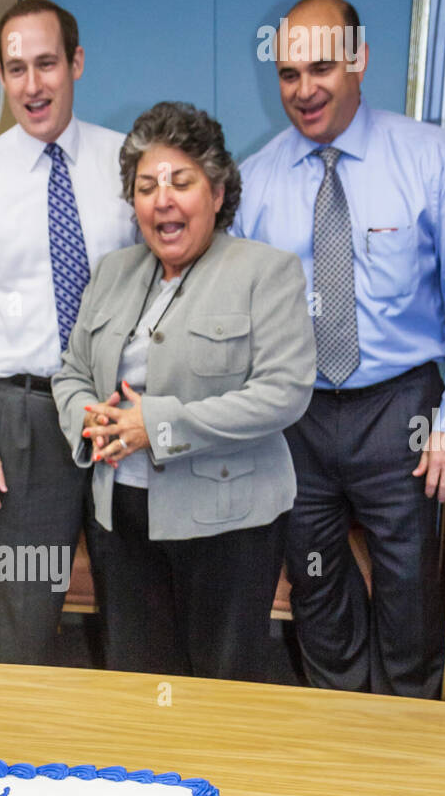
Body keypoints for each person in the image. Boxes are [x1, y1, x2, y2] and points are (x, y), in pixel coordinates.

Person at [231, 0, 445, 698]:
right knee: (316, 585)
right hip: (300, 416)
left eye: (321, 67)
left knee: (410, 588)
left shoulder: (429, 157)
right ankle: (342, 728)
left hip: (403, 410)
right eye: (289, 74)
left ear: (360, 60)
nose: (303, 90)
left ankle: (411, 739)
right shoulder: (257, 179)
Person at [53, 102, 316, 680]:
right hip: (120, 515)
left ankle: (216, 774)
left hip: (227, 523)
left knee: (221, 684)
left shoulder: (266, 271)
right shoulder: (113, 272)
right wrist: (90, 419)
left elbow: (284, 392)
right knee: (140, 674)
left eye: (182, 181)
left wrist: (158, 426)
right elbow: (70, 371)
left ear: (218, 193)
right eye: (146, 186)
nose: (162, 199)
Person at [0, 0, 135, 664]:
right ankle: (32, 749)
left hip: (119, 411)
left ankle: (139, 740)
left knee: (134, 595)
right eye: (16, 68)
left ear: (76, 63)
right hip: (22, 416)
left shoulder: (128, 163)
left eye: (47, 64)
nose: (32, 85)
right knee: (28, 606)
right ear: (0, 74)